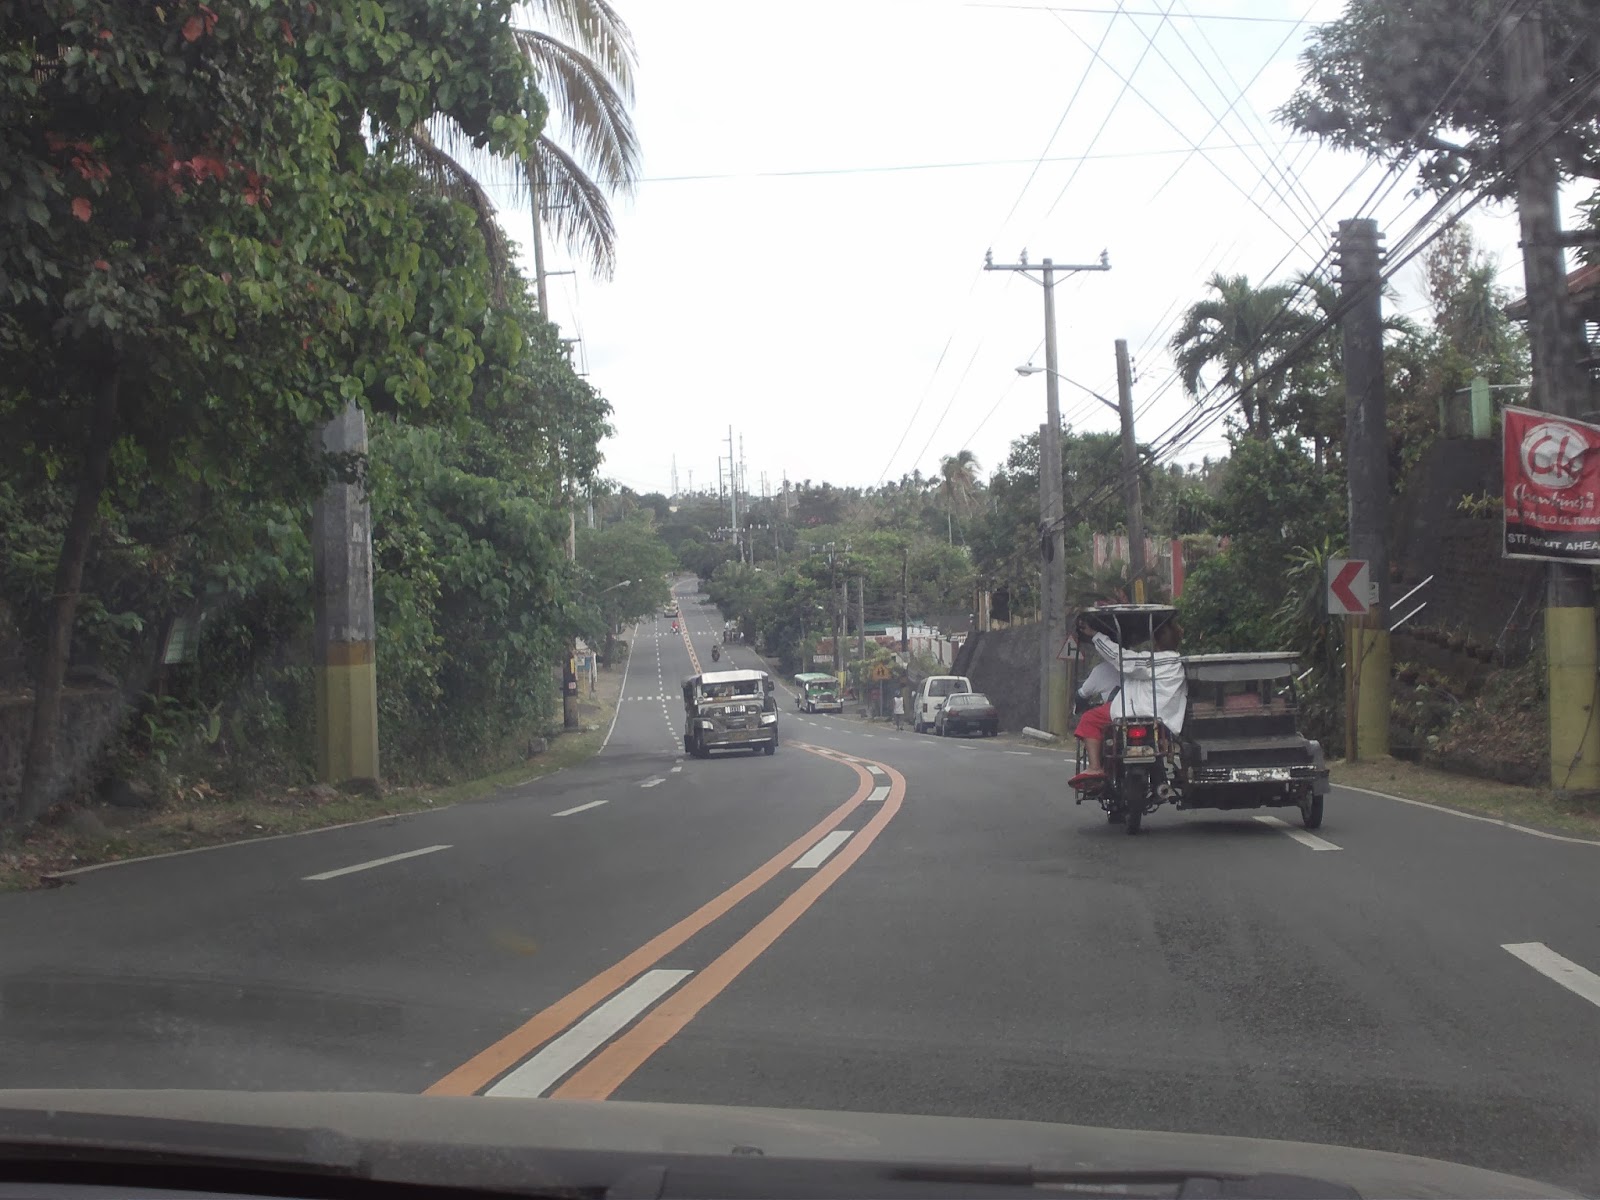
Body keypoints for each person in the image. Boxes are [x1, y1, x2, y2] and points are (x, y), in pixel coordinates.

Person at [1069, 614, 1186, 789]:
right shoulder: (1178, 664)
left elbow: (1122, 660)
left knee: (1089, 719)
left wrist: (1095, 635)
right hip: (1163, 720)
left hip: (1132, 712)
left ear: (1156, 643)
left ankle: (1094, 767)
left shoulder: (1151, 662)